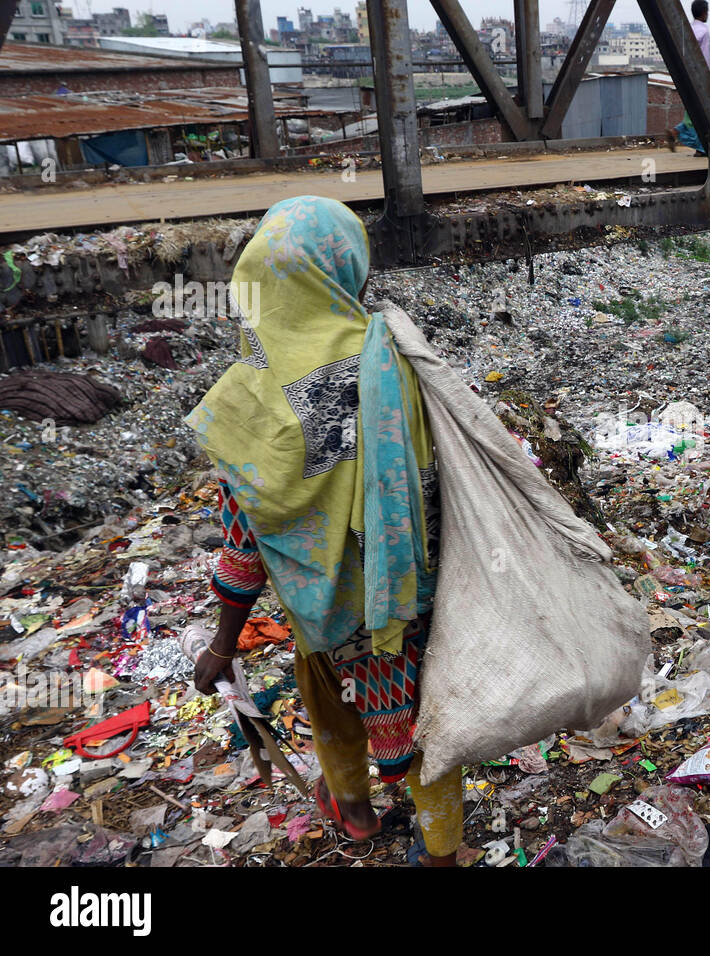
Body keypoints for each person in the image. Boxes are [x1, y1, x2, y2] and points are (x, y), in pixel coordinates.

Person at [186, 195, 462, 867]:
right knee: (429, 726)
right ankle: (444, 852)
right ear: (347, 269)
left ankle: (358, 814)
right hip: (408, 599)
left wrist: (224, 646)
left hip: (319, 610)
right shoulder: (393, 357)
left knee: (332, 707)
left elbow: (245, 543)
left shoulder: (246, 396)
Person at [668, 2, 710, 155]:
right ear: (704, 12)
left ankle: (676, 132)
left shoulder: (689, 28)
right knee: (702, 112)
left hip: (690, 75)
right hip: (700, 76)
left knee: (693, 111)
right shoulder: (702, 30)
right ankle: (699, 147)